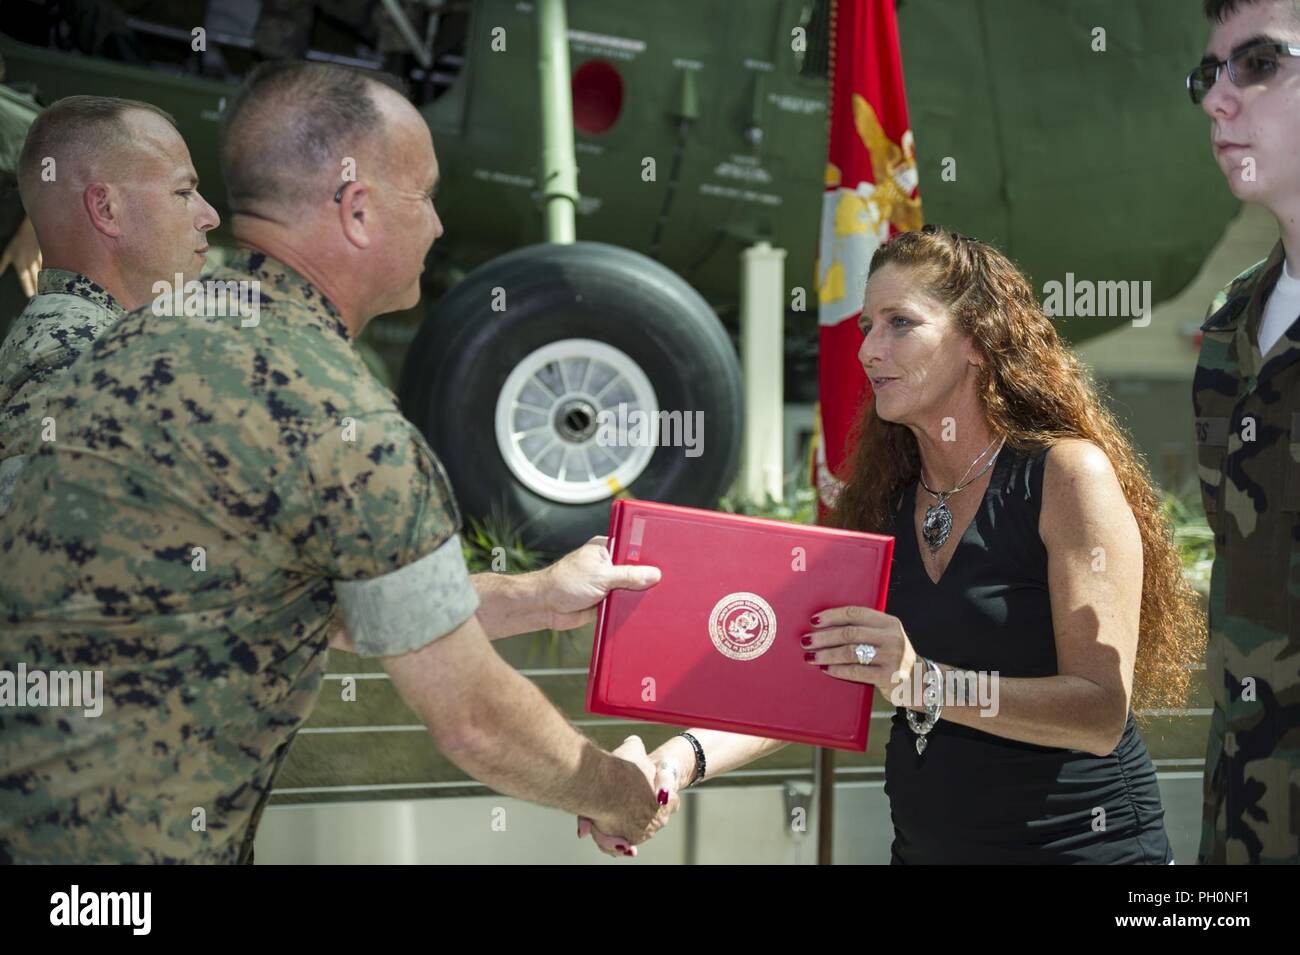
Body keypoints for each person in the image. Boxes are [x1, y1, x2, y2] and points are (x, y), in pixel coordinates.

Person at [0, 61, 669, 863]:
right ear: (357, 212)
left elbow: (312, 595)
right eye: (421, 197)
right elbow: (473, 718)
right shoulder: (338, 418)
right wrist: (622, 792)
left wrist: (535, 595)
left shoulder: (146, 338)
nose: (437, 227)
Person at [582, 225, 1206, 863]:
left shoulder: (1066, 476)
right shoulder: (882, 497)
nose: (868, 351)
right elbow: (804, 675)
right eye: (866, 327)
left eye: (899, 323)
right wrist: (672, 765)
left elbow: (1100, 713)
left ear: (978, 342)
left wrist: (925, 682)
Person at [1188, 0, 1300, 864]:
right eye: (1209, 74)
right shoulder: (1232, 326)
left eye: (1258, 63)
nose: (1219, 100)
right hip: (1245, 814)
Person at [0, 95, 220, 515]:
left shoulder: (92, 344)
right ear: (105, 209)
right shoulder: (82, 360)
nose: (210, 215)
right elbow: (49, 556)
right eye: (183, 191)